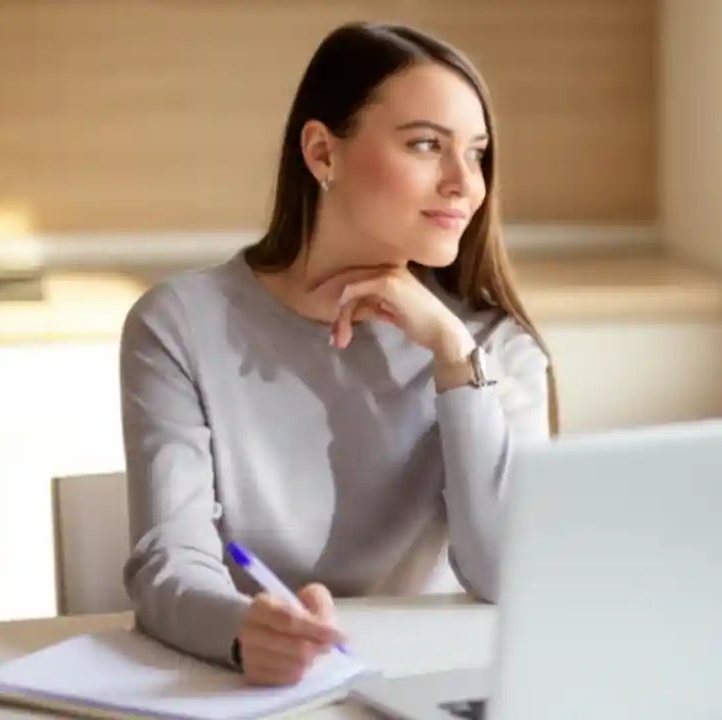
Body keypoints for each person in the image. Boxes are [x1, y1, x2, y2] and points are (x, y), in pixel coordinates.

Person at [119, 22, 557, 687]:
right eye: (425, 145)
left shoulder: (493, 344)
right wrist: (241, 631)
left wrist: (450, 356)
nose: (465, 184)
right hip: (258, 694)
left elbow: (508, 574)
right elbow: (169, 563)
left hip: (433, 692)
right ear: (322, 153)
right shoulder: (179, 325)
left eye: (477, 153)